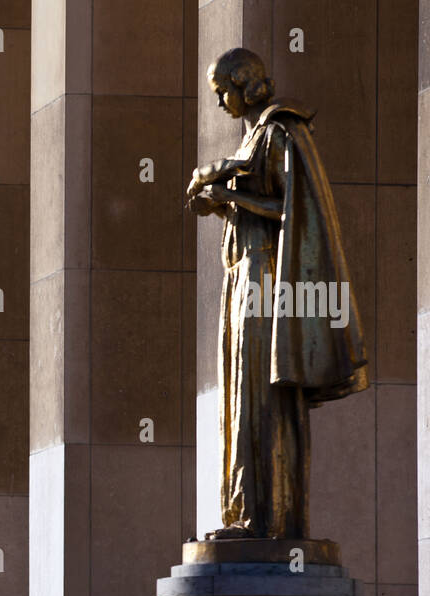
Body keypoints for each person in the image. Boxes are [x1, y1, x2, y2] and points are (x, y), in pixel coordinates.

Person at [186, 48, 368, 540]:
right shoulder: (253, 138)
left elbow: (295, 209)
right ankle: (246, 513)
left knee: (262, 399)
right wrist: (223, 209)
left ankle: (266, 521)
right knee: (241, 398)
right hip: (244, 279)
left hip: (270, 282)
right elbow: (258, 209)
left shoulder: (280, 130)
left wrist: (228, 194)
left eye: (223, 90)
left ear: (244, 83)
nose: (220, 101)